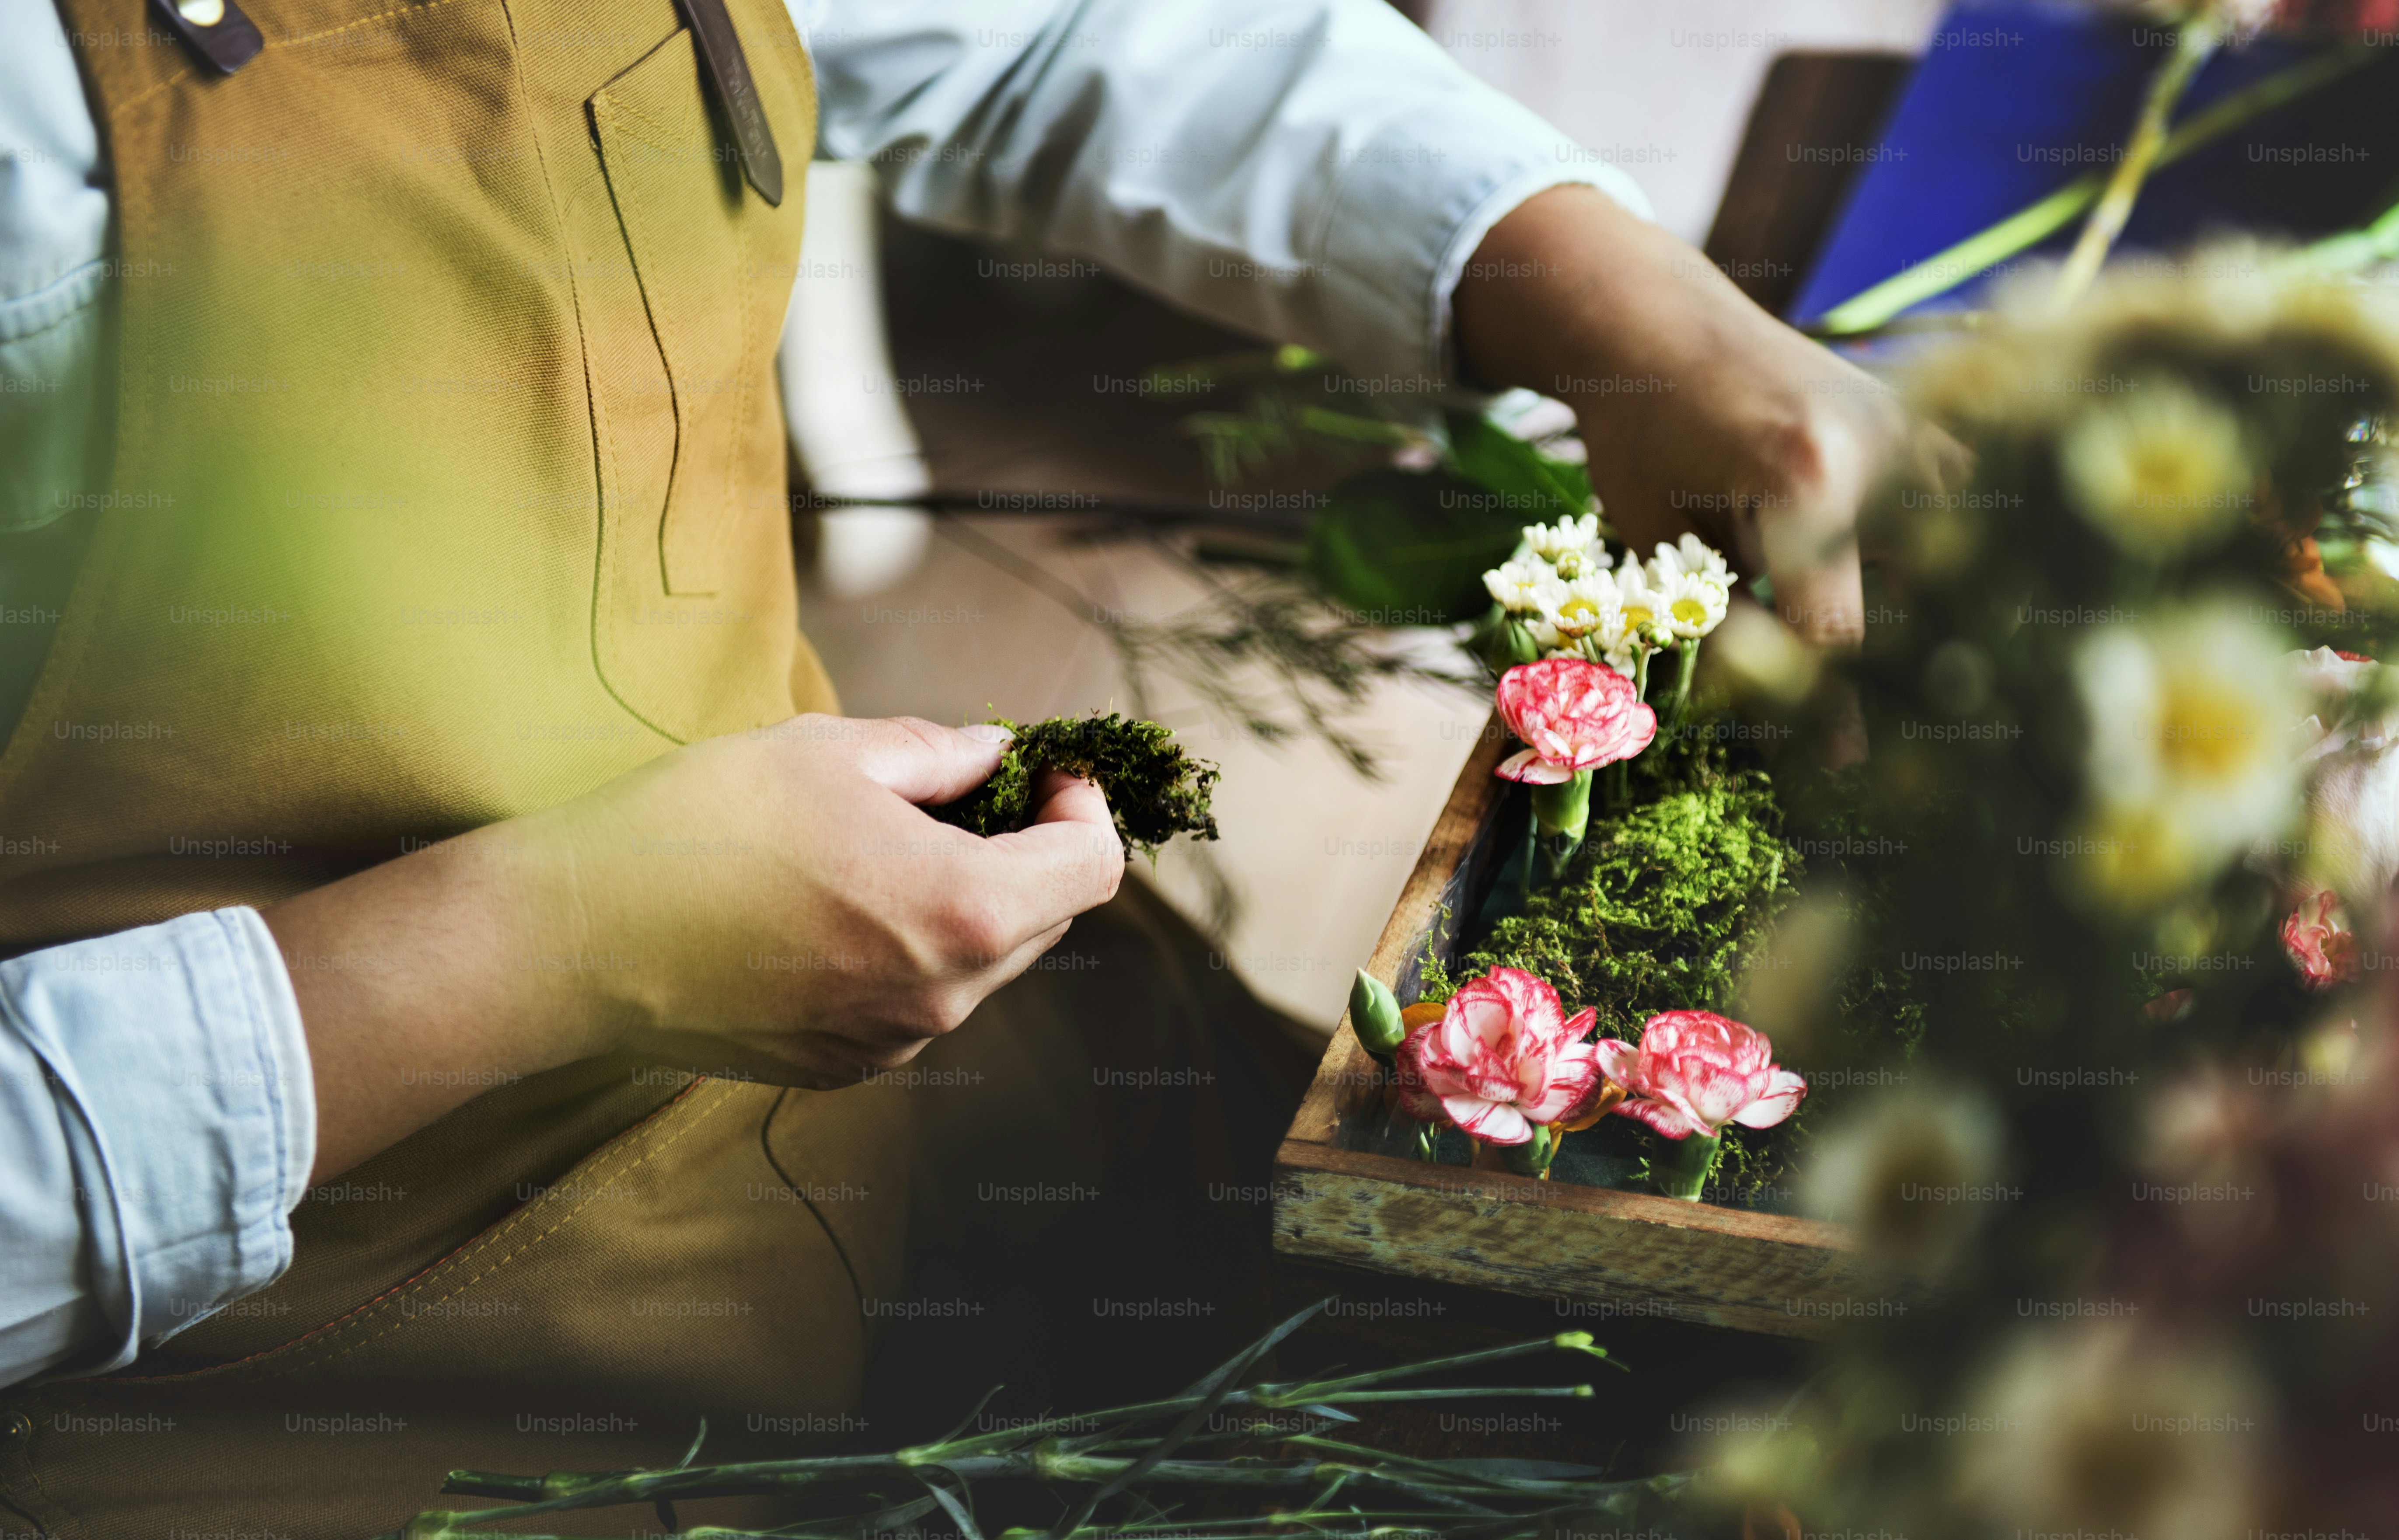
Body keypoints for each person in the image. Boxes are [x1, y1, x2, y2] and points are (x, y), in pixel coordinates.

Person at [0, 0, 1923, 1528]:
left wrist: (1636, 319)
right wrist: (549, 944)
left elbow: (1041, 30)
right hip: (332, 1404)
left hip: (941, 1101)